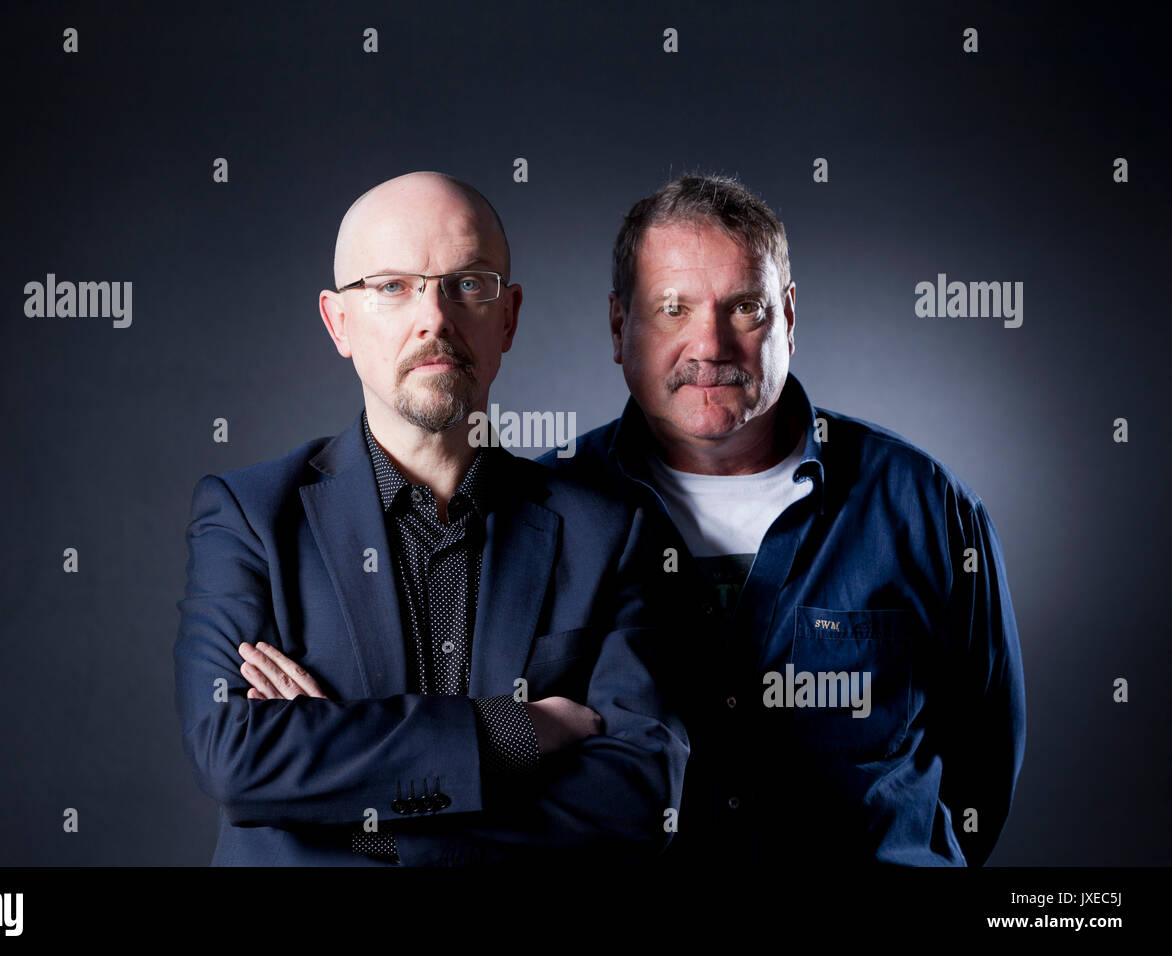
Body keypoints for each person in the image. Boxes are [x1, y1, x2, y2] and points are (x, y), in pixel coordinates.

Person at [173, 171, 688, 865]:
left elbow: (639, 794)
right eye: (392, 286)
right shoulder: (249, 519)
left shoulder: (611, 533)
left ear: (508, 317)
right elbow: (236, 758)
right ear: (339, 322)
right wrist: (516, 732)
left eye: (468, 283)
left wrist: (364, 821)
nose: (435, 318)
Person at [541, 173, 1026, 866]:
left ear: (788, 318)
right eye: (672, 308)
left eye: (743, 308)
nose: (709, 346)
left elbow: (983, 760)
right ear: (620, 327)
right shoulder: (542, 511)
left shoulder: (925, 506)